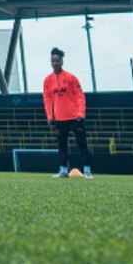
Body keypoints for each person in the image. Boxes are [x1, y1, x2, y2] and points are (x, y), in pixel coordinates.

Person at [44, 47, 92, 179]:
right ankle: (63, 170)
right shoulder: (48, 80)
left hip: (75, 117)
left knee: (81, 144)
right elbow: (47, 99)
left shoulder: (71, 78)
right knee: (62, 146)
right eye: (53, 61)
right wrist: (50, 116)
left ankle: (87, 170)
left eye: (57, 60)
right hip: (59, 118)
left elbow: (80, 96)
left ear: (62, 62)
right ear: (51, 62)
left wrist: (81, 113)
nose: (55, 63)